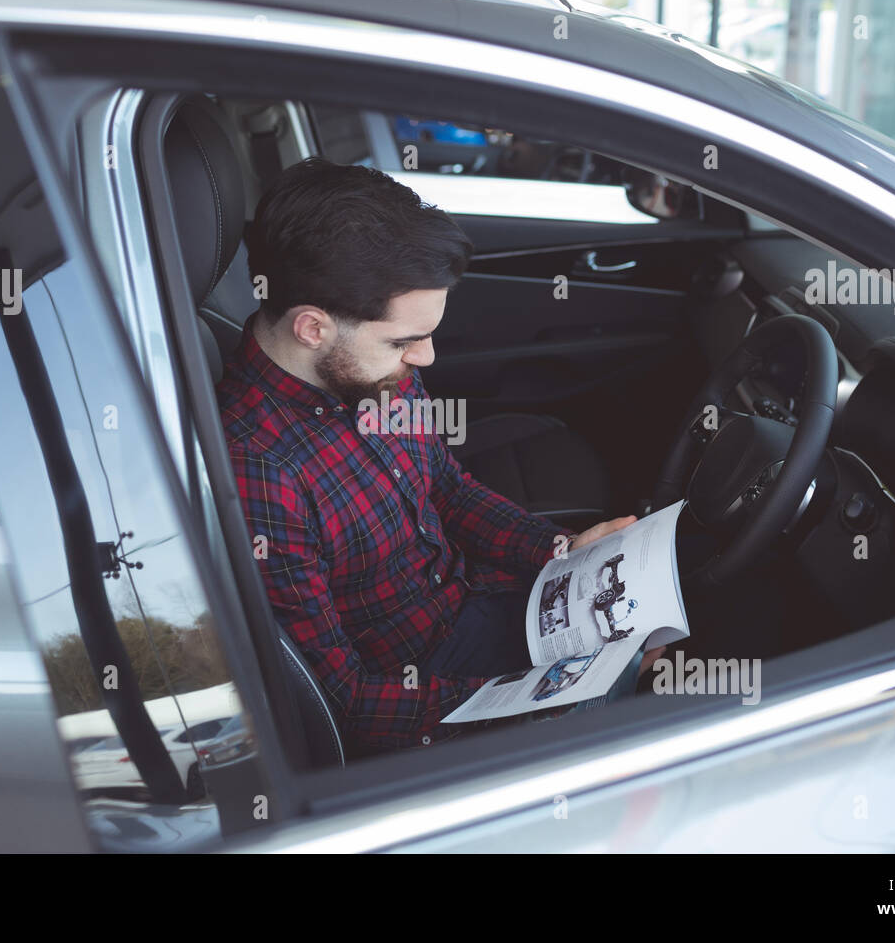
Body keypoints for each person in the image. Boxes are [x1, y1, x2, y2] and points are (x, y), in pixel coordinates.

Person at [217, 158, 665, 754]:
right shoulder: (259, 471)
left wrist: (564, 559)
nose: (425, 359)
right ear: (311, 328)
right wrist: (542, 695)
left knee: (648, 629)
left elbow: (445, 489)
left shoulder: (370, 371)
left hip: (468, 596)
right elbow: (344, 700)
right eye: (405, 341)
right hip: (420, 689)